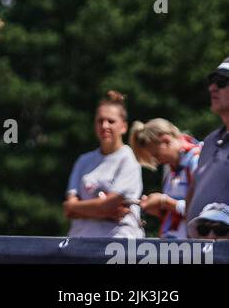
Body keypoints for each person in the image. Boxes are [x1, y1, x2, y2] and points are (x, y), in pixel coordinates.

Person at [63, 90, 143, 238]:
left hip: (117, 247)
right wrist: (105, 211)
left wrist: (82, 208)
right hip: (80, 243)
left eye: (111, 121)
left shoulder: (128, 160)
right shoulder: (83, 161)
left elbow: (106, 206)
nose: (104, 125)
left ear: (124, 127)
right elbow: (68, 209)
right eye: (100, 121)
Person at [128, 117, 201, 240]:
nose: (157, 161)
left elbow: (202, 210)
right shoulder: (171, 169)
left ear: (166, 140)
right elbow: (177, 214)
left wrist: (163, 201)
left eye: (156, 155)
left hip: (193, 251)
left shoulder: (197, 160)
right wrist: (158, 209)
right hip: (174, 247)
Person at [185, 54, 229, 226]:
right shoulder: (210, 141)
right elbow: (194, 191)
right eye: (211, 81)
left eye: (221, 81)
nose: (212, 88)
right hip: (200, 247)